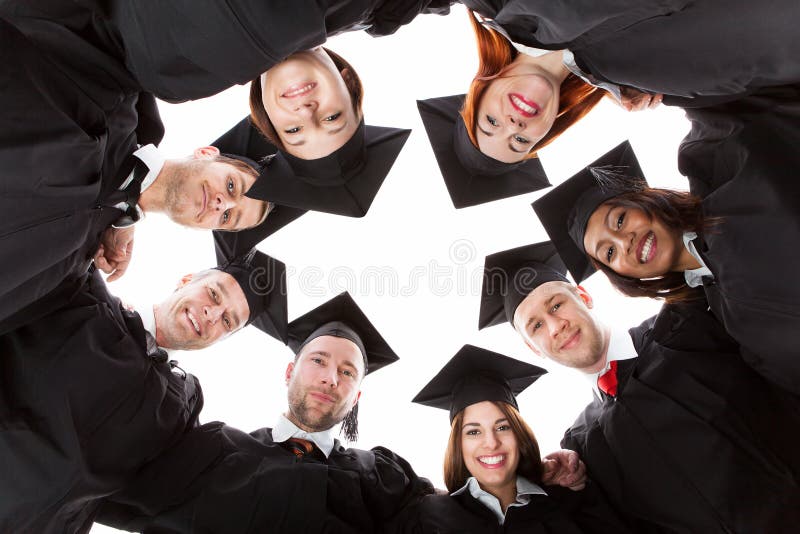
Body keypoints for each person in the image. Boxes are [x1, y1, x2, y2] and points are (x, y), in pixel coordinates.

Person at [478, 241, 800, 532]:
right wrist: (570, 491)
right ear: (535, 348)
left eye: (556, 305)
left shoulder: (683, 325)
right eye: (536, 326)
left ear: (584, 296)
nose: (554, 326)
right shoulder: (582, 445)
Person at [0, 12, 274, 332]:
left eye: (228, 218)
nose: (221, 205)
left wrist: (124, 213)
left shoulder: (75, 262)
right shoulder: (105, 94)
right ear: (207, 154)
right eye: (230, 186)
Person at [0, 250, 288, 534]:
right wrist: (118, 214)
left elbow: (202, 488)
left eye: (228, 321)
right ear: (186, 280)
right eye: (213, 294)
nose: (213, 314)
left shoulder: (180, 408)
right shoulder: (83, 297)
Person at [95, 292, 432, 533]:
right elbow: (106, 471)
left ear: (356, 395)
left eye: (347, 372)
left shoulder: (382, 480)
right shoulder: (214, 449)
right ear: (289, 371)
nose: (331, 378)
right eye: (318, 360)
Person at [533, 137, 800, 394]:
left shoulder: (740, 199)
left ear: (644, 200)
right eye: (610, 252)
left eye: (620, 220)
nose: (624, 242)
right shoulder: (718, 315)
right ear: (621, 275)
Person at [428, 2, 799, 170]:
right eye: (520, 141)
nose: (513, 125)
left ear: (482, 88)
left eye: (491, 122)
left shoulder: (505, 6)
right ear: (549, 128)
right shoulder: (643, 79)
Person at [408, 344, 632, 533]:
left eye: (503, 427)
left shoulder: (568, 500)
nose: (492, 442)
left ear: (519, 435)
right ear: (458, 445)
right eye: (473, 432)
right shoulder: (430, 516)